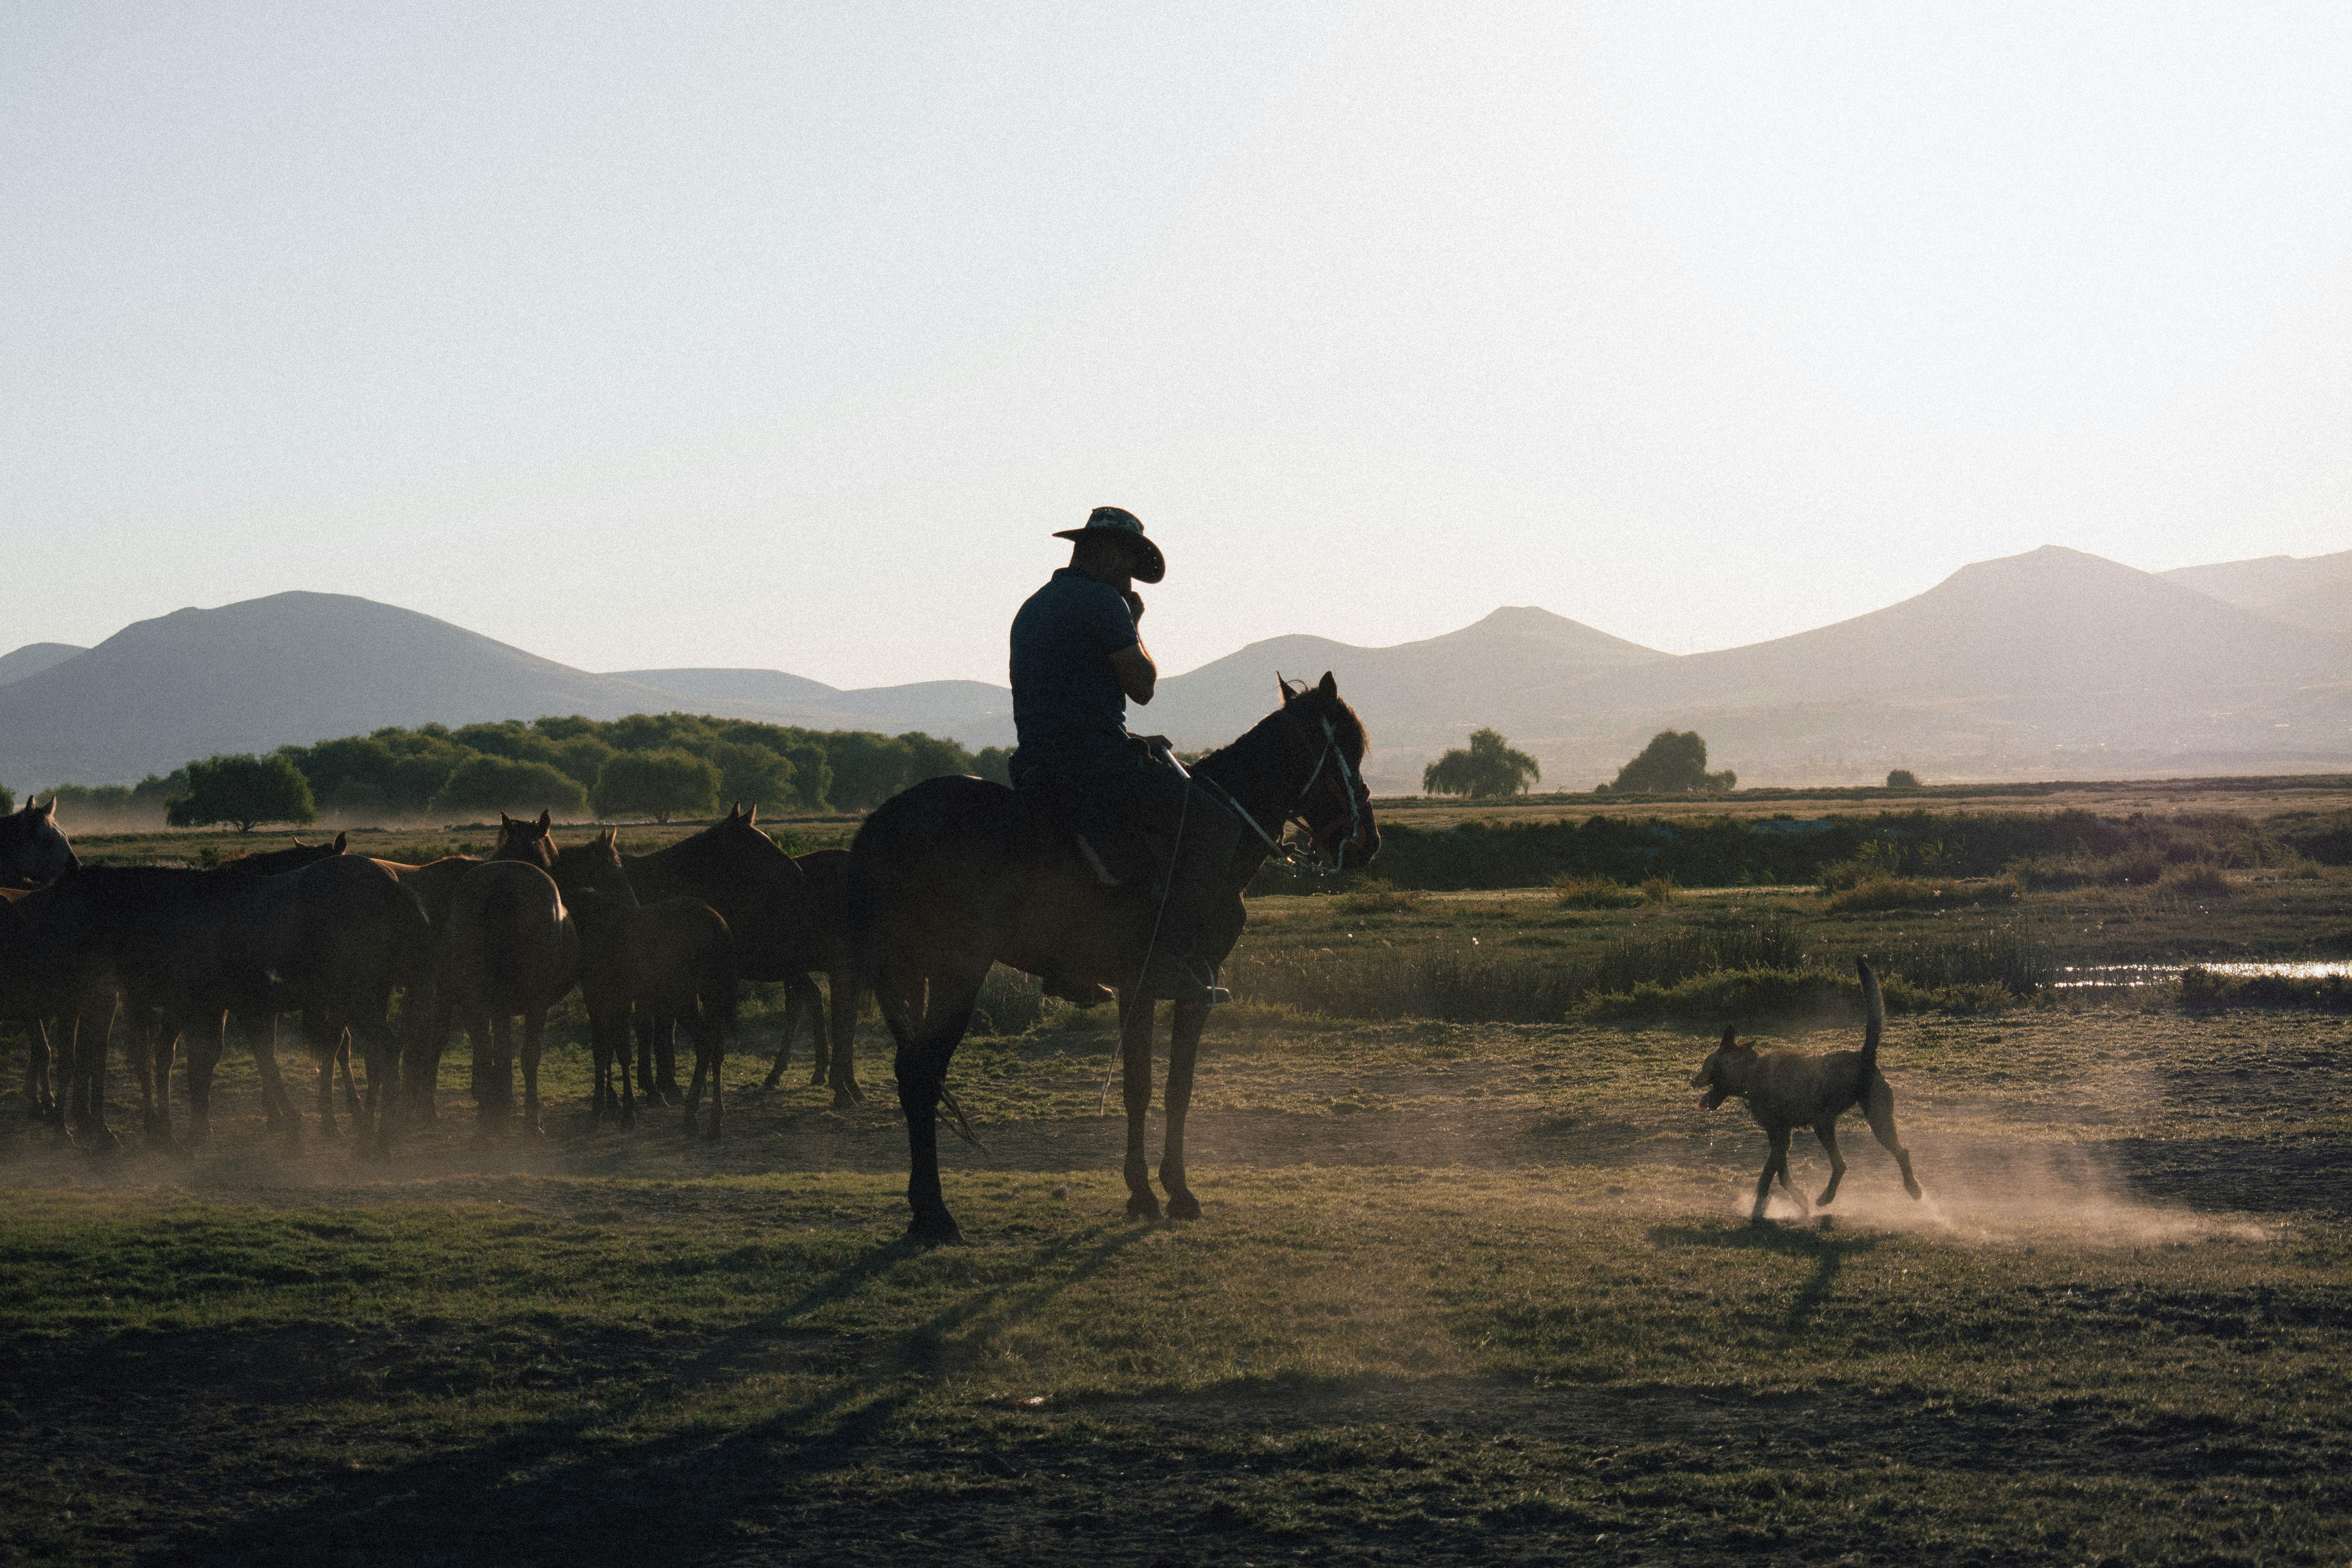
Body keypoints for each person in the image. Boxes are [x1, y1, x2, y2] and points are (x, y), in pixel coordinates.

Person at [1008, 506, 1240, 1005]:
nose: (1130, 577)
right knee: (1212, 826)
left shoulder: (1032, 607)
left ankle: (1072, 960)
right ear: (1106, 553)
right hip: (1095, 768)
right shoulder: (1103, 603)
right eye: (1128, 562)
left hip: (1035, 768)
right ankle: (1169, 961)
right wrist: (1134, 626)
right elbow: (1143, 688)